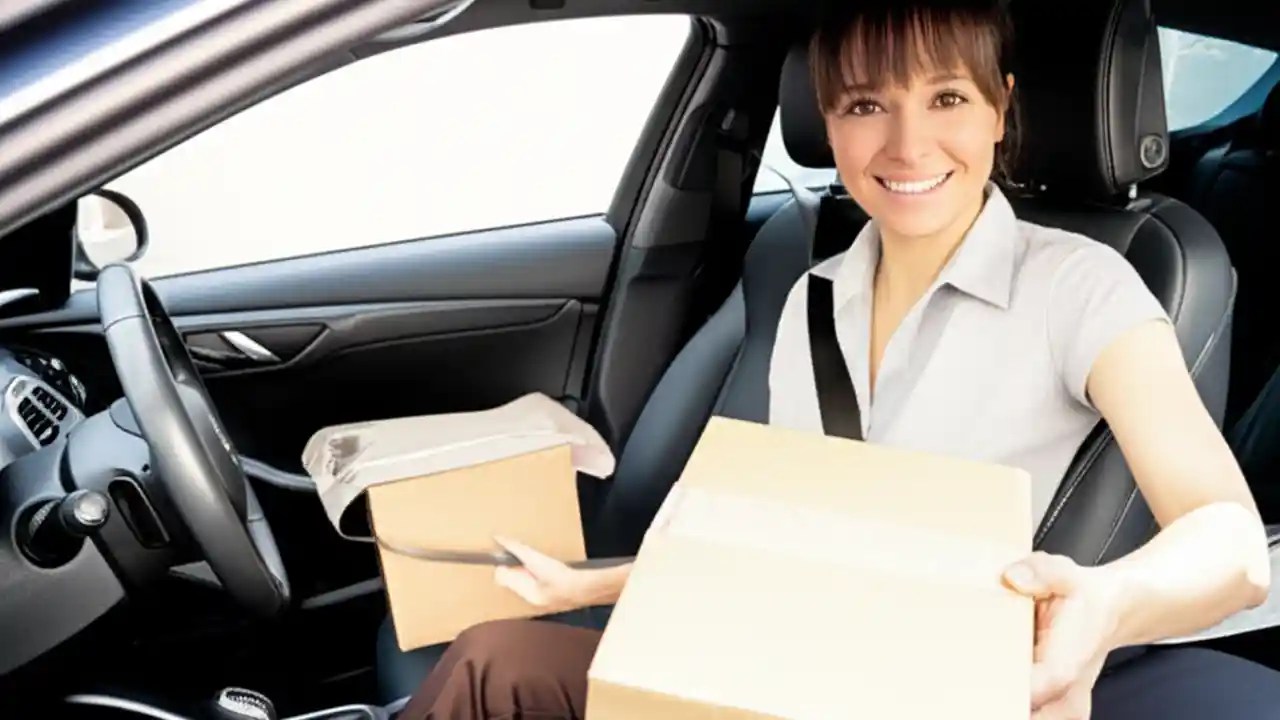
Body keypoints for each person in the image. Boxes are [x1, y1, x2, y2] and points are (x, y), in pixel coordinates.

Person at [398, 1, 1280, 717]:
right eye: (866, 105)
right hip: (796, 660)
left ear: (1002, 108)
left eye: (946, 98)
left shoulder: (1084, 287)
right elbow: (788, 542)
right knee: (492, 660)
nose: (907, 145)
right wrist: (589, 581)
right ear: (827, 120)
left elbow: (1233, 547)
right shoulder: (813, 296)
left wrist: (1105, 605)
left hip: (943, 691)